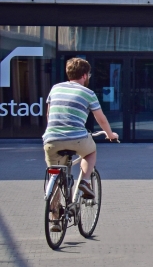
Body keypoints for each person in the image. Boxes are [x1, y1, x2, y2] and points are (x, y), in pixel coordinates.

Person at [43, 57, 118, 231]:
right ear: (84, 75)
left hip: (51, 139)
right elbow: (101, 118)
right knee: (90, 152)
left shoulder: (55, 88)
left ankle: (54, 217)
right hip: (76, 137)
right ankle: (84, 181)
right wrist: (110, 135)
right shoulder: (88, 93)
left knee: (56, 175)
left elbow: (48, 115)